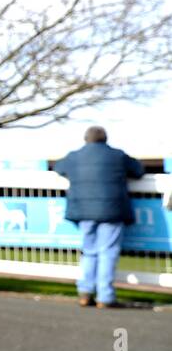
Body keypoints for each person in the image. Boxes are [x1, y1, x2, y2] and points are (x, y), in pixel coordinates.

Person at [53, 126, 145, 309]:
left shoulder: (74, 156)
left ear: (86, 139)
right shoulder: (117, 155)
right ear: (105, 139)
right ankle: (105, 296)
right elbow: (138, 170)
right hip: (112, 211)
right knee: (108, 252)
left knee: (89, 252)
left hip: (84, 212)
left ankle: (85, 293)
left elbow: (58, 168)